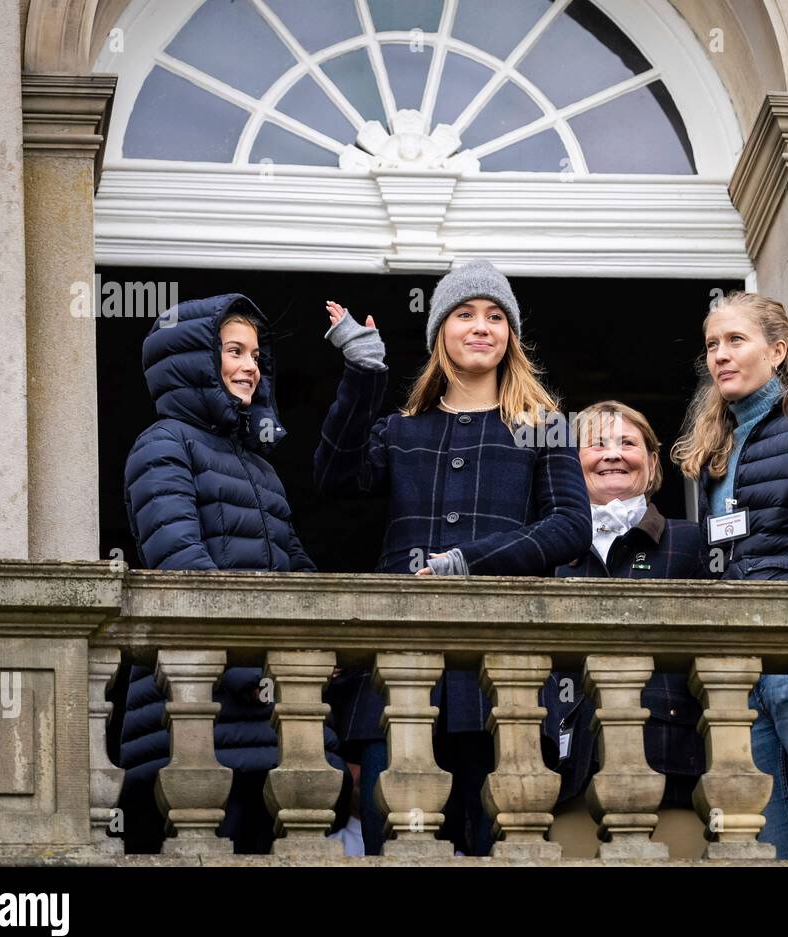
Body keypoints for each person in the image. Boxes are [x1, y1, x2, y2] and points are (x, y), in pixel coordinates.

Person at [314, 259, 590, 856]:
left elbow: (570, 525)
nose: (481, 326)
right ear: (441, 331)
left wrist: (472, 561)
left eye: (495, 316)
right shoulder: (400, 429)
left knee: (492, 841)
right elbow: (333, 478)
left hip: (500, 672)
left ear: (511, 336)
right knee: (397, 841)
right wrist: (362, 374)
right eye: (464, 314)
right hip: (399, 671)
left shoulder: (543, 428)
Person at [119, 294, 346, 853]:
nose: (251, 367)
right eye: (234, 352)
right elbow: (183, 574)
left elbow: (299, 574)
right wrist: (261, 674)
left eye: (256, 356)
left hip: (272, 719)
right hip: (201, 717)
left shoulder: (261, 467)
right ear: (196, 361)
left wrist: (321, 657)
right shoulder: (163, 445)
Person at [671, 291, 788, 859]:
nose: (720, 355)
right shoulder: (711, 443)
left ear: (778, 350)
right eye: (712, 345)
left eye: (735, 340)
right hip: (738, 663)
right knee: (768, 834)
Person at [548, 401, 710, 856]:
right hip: (567, 773)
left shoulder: (691, 541)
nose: (612, 454)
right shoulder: (546, 550)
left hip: (670, 767)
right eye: (596, 444)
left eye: (627, 443)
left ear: (653, 462)